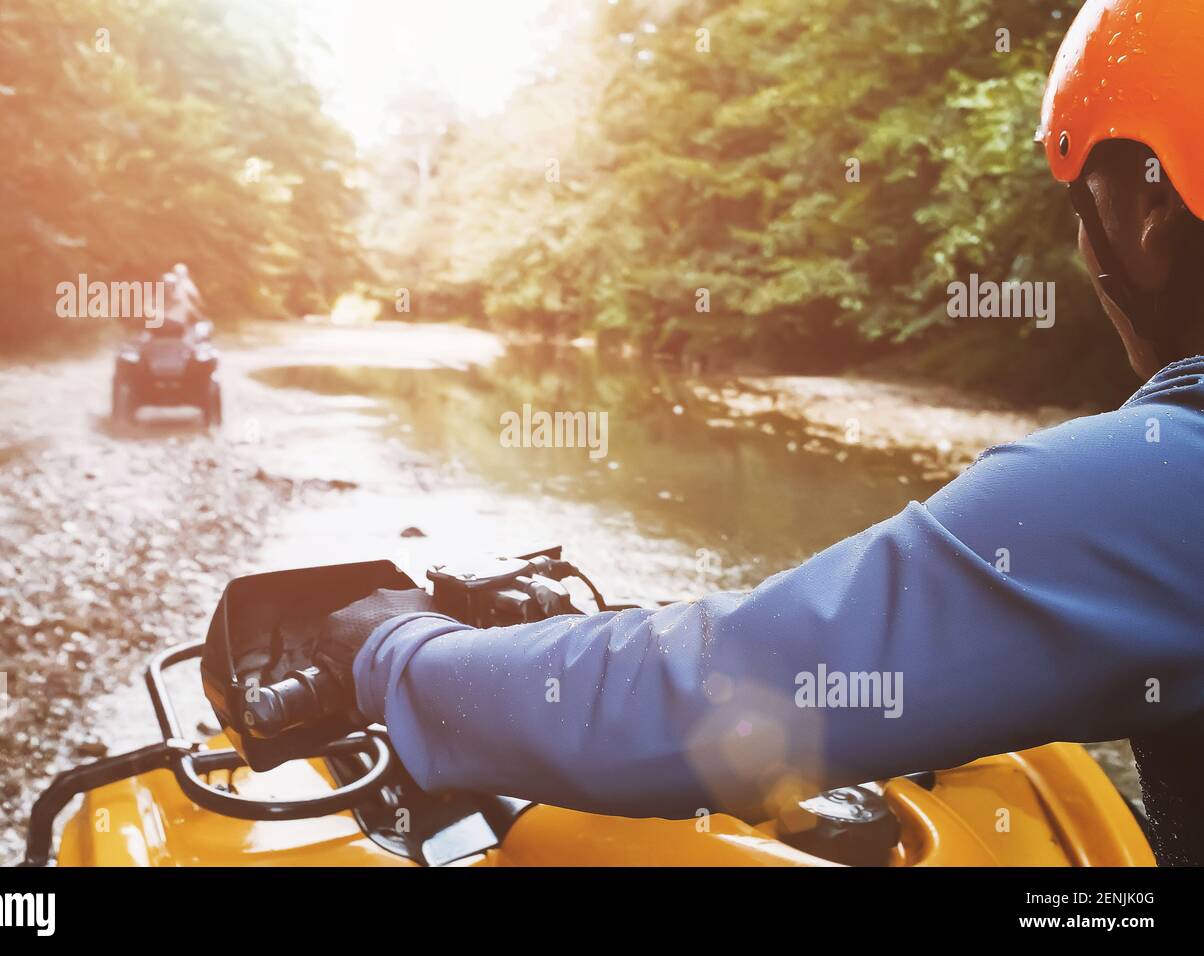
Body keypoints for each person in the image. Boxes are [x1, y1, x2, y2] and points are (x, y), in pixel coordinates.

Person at [249, 0, 1204, 865]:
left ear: (1152, 208)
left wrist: (391, 654)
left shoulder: (1155, 482)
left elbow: (720, 692)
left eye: (1085, 202)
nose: (1083, 249)